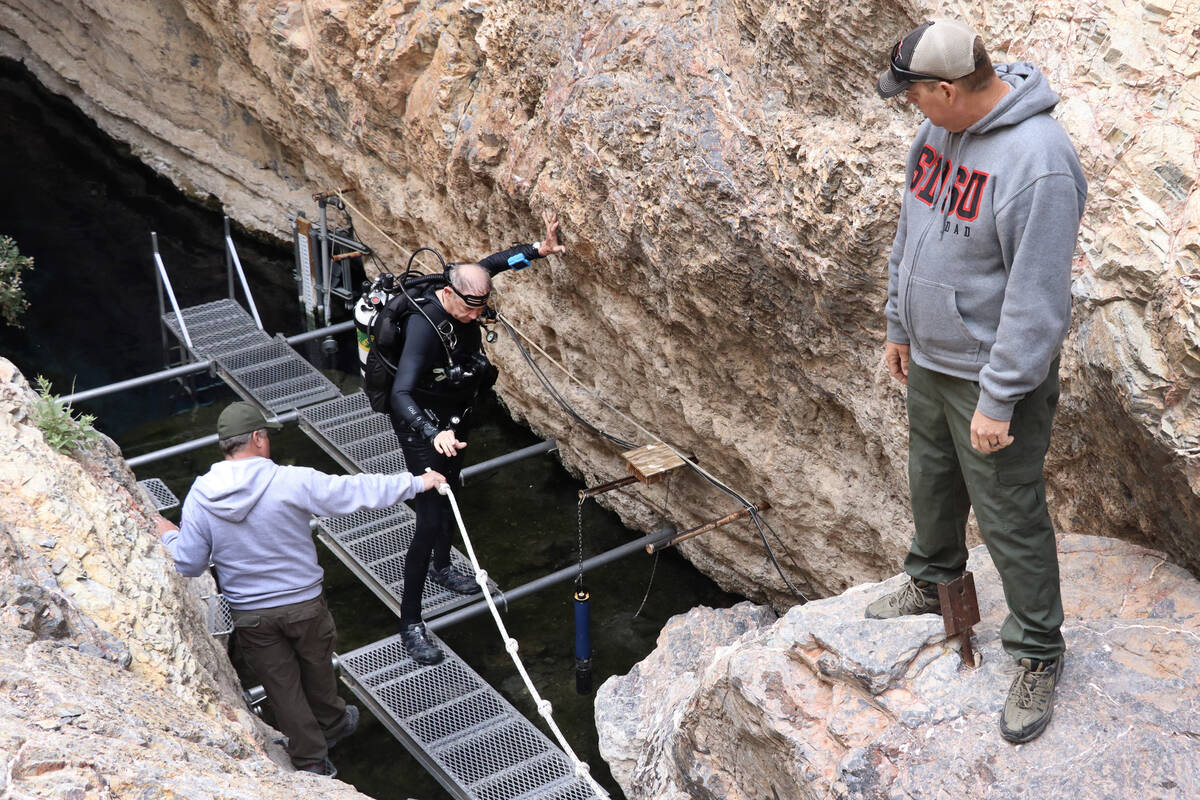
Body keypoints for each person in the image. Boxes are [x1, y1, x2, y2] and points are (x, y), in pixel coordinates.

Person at [866, 18, 1087, 744]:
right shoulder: (935, 134)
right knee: (930, 474)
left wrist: (999, 398)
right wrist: (901, 323)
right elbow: (911, 229)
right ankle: (932, 578)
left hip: (993, 374)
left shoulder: (1040, 162)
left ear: (947, 87)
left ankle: (1038, 653)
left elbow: (1036, 297)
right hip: (932, 356)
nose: (909, 107)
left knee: (1008, 512)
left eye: (913, 95)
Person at [156, 401, 445, 777]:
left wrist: (169, 536)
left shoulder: (200, 495)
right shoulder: (290, 480)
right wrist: (417, 482)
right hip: (304, 604)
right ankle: (335, 722)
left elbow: (190, 563)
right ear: (258, 438)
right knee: (317, 665)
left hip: (252, 615)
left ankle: (310, 758)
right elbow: (354, 492)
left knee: (281, 687)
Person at [388, 211, 565, 666]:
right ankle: (410, 621)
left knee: (454, 493)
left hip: (454, 413)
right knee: (428, 520)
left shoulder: (473, 286)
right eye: (468, 307)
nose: (475, 314)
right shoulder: (424, 328)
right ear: (448, 294)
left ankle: (443, 568)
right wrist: (431, 432)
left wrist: (538, 250)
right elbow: (399, 393)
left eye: (480, 306)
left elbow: (499, 263)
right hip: (422, 423)